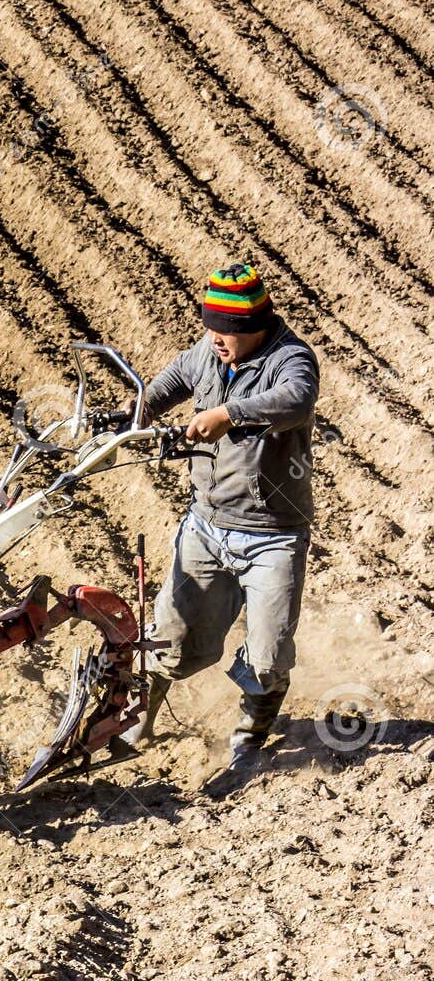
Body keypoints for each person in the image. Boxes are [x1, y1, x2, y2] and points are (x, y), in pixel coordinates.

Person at [126, 262, 320, 775]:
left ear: (256, 326)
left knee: (268, 658)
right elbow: (173, 380)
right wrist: (137, 412)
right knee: (170, 639)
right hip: (206, 527)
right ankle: (139, 721)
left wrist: (227, 414)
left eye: (228, 330)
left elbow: (297, 400)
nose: (216, 338)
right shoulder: (209, 351)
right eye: (211, 327)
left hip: (273, 536)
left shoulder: (290, 359)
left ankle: (248, 740)